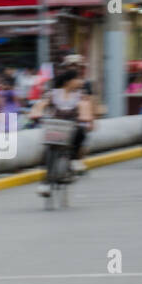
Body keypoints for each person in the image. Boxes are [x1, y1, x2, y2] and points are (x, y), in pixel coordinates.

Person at [30, 68, 94, 196]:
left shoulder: (80, 96)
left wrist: (86, 117)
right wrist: (36, 112)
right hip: (55, 128)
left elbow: (85, 108)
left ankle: (74, 159)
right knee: (48, 149)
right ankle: (46, 183)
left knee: (80, 132)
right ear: (68, 81)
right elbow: (41, 104)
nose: (80, 81)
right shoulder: (53, 94)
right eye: (77, 79)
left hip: (72, 128)